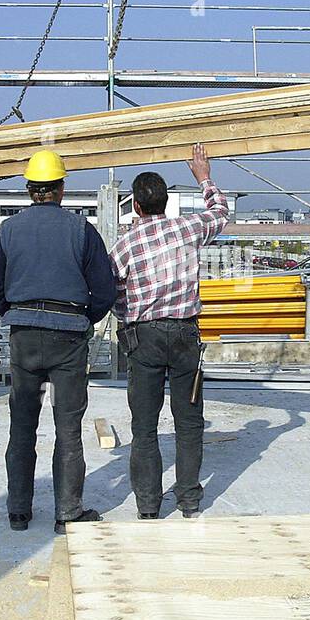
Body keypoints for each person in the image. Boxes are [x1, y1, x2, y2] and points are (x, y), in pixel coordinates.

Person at [0, 149, 116, 534]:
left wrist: (15, 313)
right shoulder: (82, 230)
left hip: (24, 336)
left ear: (29, 189)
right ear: (60, 188)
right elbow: (103, 292)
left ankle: (18, 512)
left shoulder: (7, 231)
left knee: (22, 425)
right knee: (68, 427)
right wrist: (80, 319)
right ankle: (67, 512)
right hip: (68, 336)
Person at [111, 143, 229, 520]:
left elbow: (115, 293)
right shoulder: (188, 228)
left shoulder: (125, 245)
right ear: (167, 203)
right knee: (189, 421)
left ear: (136, 207)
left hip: (143, 338)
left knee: (144, 426)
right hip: (184, 337)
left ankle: (148, 506)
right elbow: (220, 212)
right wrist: (204, 177)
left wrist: (128, 318)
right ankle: (189, 500)